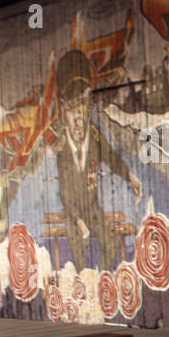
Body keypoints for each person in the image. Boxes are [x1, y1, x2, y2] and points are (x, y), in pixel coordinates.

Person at [53, 49, 141, 269]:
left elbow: (111, 157)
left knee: (110, 242)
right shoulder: (63, 147)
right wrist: (77, 220)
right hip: (73, 213)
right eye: (71, 107)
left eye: (81, 104)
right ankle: (84, 282)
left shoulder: (93, 135)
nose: (78, 116)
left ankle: (101, 279)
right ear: (64, 109)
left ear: (88, 104)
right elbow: (64, 191)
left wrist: (129, 176)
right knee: (80, 244)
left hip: (91, 207)